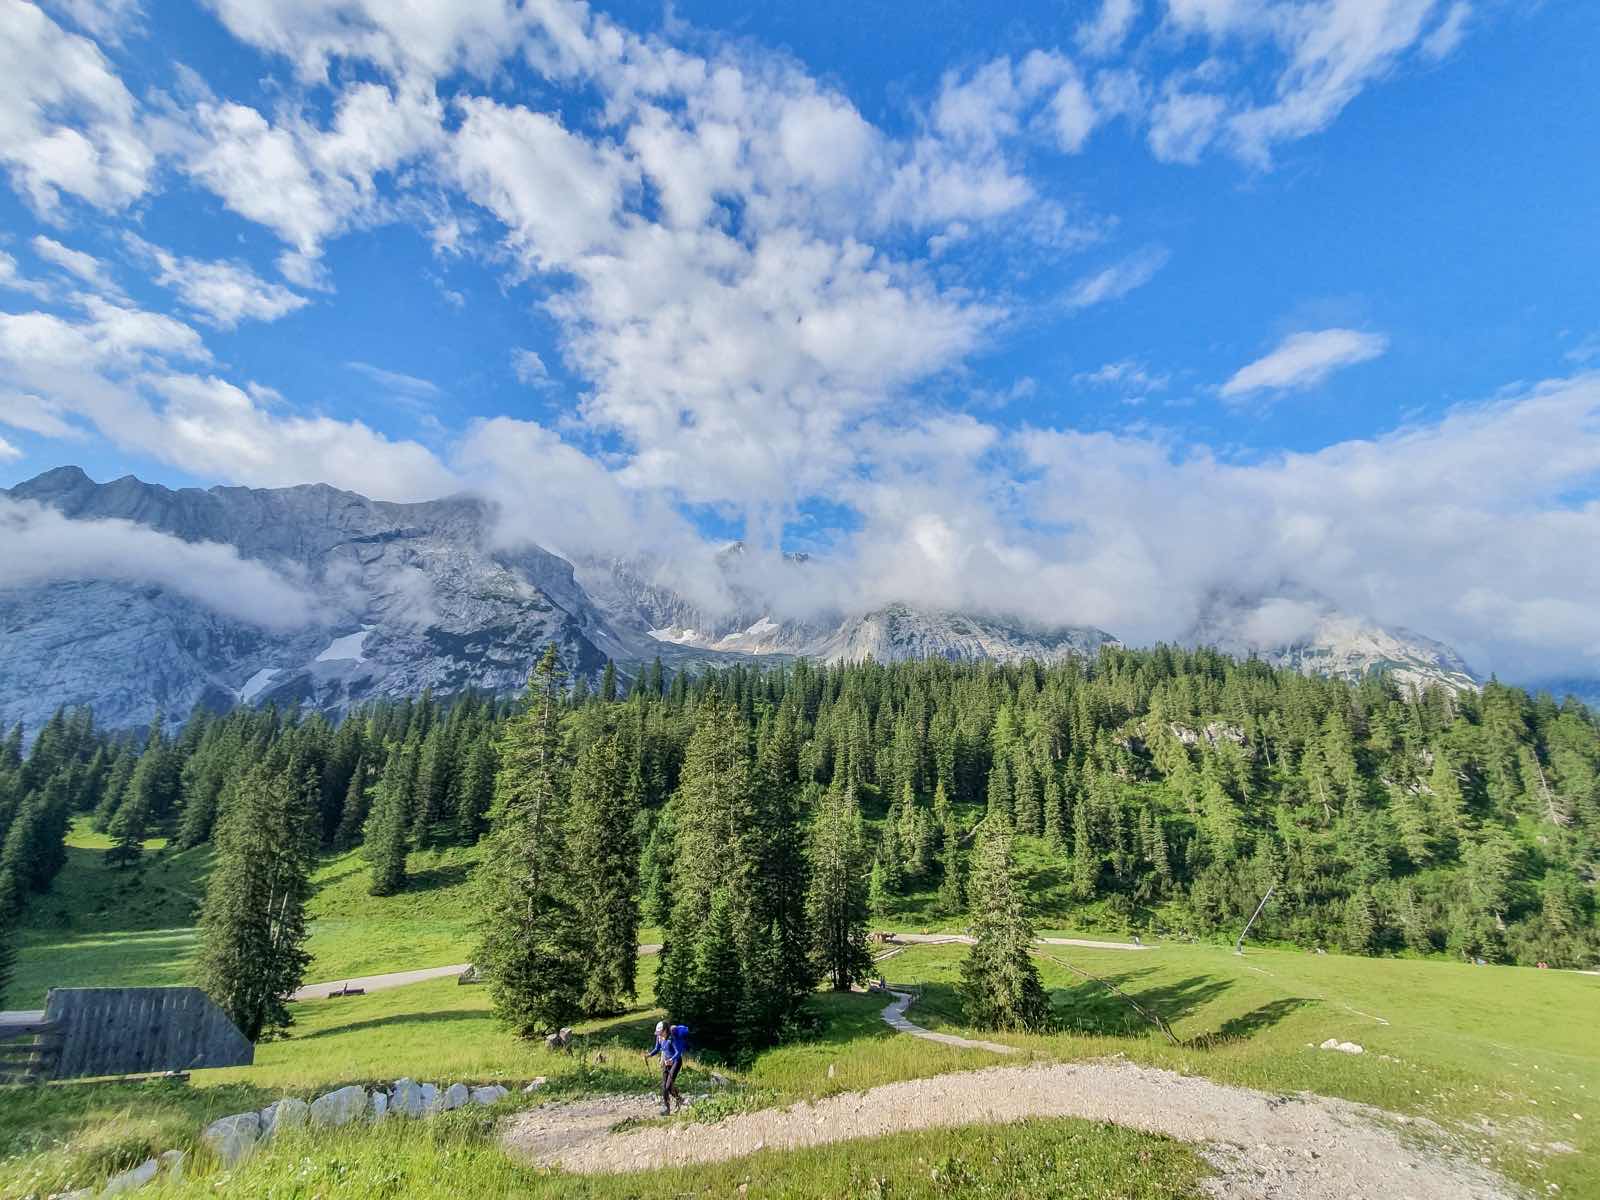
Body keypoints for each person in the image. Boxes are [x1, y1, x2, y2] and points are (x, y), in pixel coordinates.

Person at [644, 1018, 689, 1115]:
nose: (659, 1034)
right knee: (664, 1086)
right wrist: (649, 1055)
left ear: (665, 1030)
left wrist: (671, 1060)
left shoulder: (672, 1038)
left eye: (660, 1032)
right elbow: (657, 1048)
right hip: (666, 1062)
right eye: (658, 1032)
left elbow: (678, 1052)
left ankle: (678, 1099)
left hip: (676, 1062)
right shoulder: (659, 1037)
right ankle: (667, 1108)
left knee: (668, 1086)